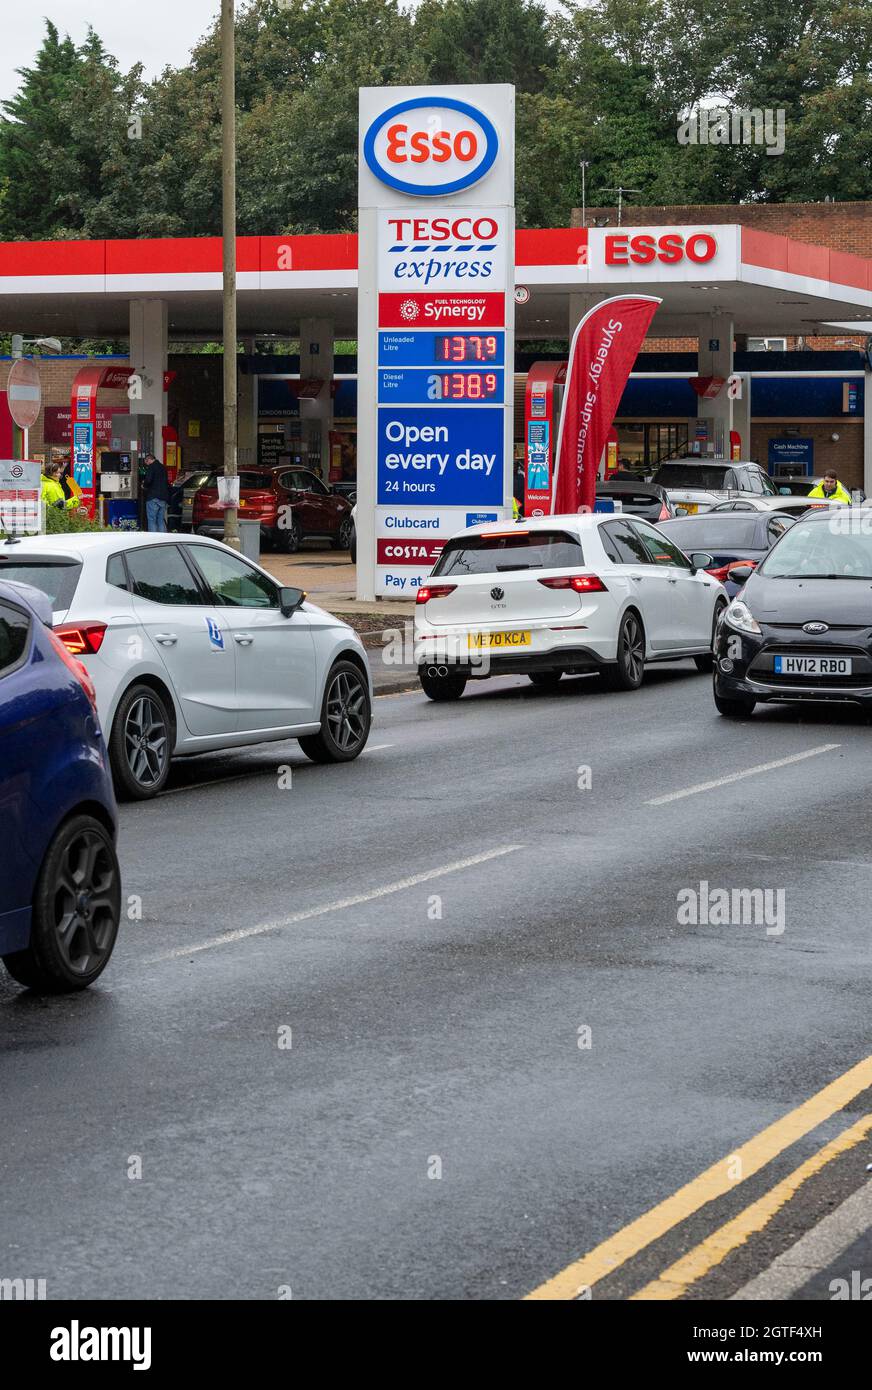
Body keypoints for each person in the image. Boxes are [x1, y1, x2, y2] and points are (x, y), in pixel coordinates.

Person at [142, 451, 170, 531]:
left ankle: (153, 539)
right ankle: (162, 539)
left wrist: (144, 485)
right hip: (163, 497)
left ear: (148, 460)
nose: (146, 465)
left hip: (153, 497)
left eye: (146, 463)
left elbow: (148, 480)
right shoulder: (163, 467)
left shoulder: (151, 467)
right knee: (160, 520)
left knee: (152, 520)